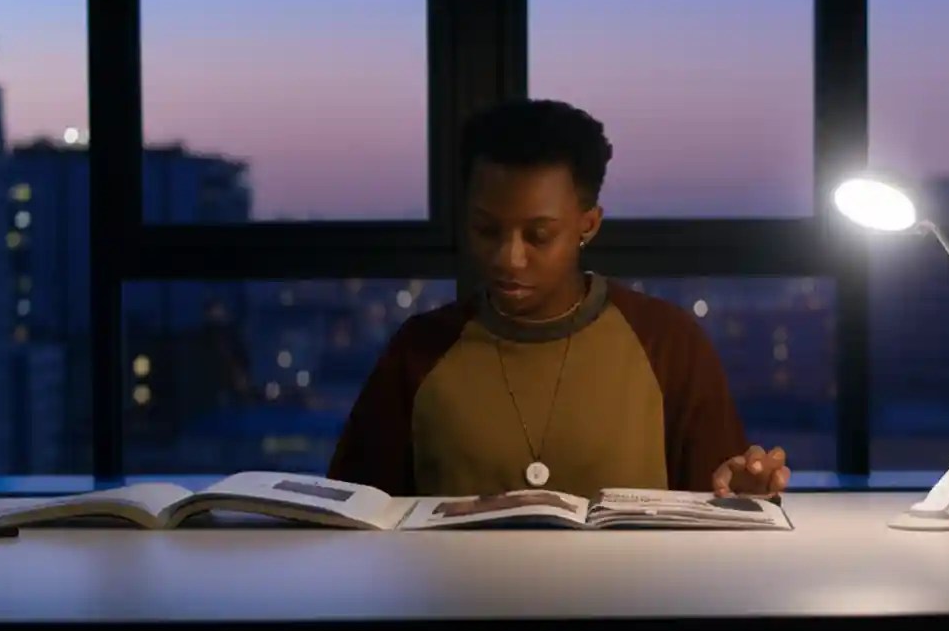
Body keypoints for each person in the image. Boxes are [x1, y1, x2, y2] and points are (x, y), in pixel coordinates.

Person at [327, 99, 790, 500]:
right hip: (460, 603)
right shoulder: (419, 351)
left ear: (587, 226)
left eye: (539, 235)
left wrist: (743, 488)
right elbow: (355, 517)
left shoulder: (666, 343)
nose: (509, 258)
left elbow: (720, 505)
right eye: (486, 230)